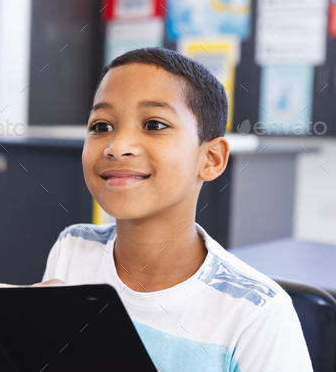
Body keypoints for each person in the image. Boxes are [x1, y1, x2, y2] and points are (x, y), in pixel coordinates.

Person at [36, 47, 313, 371]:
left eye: (153, 124)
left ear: (211, 159)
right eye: (101, 126)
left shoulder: (256, 311)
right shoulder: (73, 249)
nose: (117, 146)